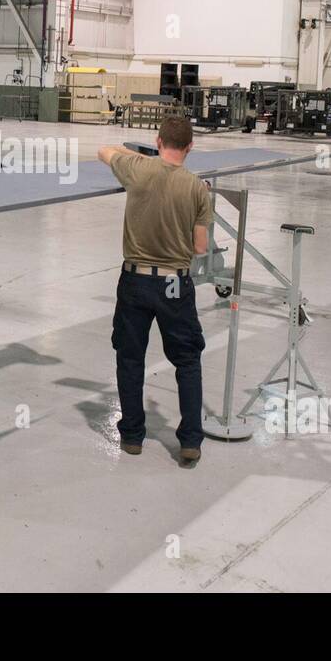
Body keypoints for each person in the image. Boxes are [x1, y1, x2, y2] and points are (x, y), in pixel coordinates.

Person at [97, 116, 212, 464]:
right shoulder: (197, 188)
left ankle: (132, 435)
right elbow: (201, 247)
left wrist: (142, 159)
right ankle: (190, 440)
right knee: (187, 361)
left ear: (159, 140)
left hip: (135, 280)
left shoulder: (137, 169)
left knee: (131, 357)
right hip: (175, 283)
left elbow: (103, 150)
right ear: (190, 147)